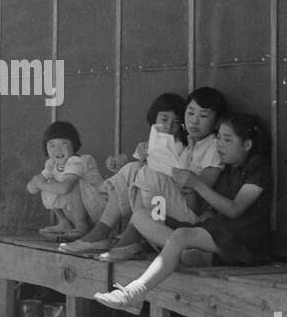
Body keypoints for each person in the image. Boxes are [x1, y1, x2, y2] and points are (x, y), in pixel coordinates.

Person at [94, 112, 272, 312]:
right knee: (140, 216)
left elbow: (235, 209)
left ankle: (135, 292)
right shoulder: (229, 167)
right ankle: (188, 254)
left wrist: (196, 184)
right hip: (218, 232)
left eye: (227, 140)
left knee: (181, 235)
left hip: (244, 239)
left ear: (247, 145)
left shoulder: (259, 167)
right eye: (219, 138)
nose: (220, 144)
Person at [60, 92, 190, 253]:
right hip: (150, 206)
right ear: (154, 119)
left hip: (168, 211)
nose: (169, 127)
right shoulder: (145, 146)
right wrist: (123, 165)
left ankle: (124, 236)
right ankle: (103, 233)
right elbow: (138, 178)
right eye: (164, 120)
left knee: (137, 170)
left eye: (176, 122)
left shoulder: (180, 149)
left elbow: (167, 180)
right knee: (132, 168)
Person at [26, 121, 106, 239]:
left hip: (99, 212)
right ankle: (64, 223)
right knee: (50, 183)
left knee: (68, 184)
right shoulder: (51, 164)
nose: (57, 149)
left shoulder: (78, 161)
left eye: (63, 144)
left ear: (74, 145)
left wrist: (40, 184)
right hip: (81, 212)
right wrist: (36, 184)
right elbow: (32, 188)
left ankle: (81, 226)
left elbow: (65, 188)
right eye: (52, 145)